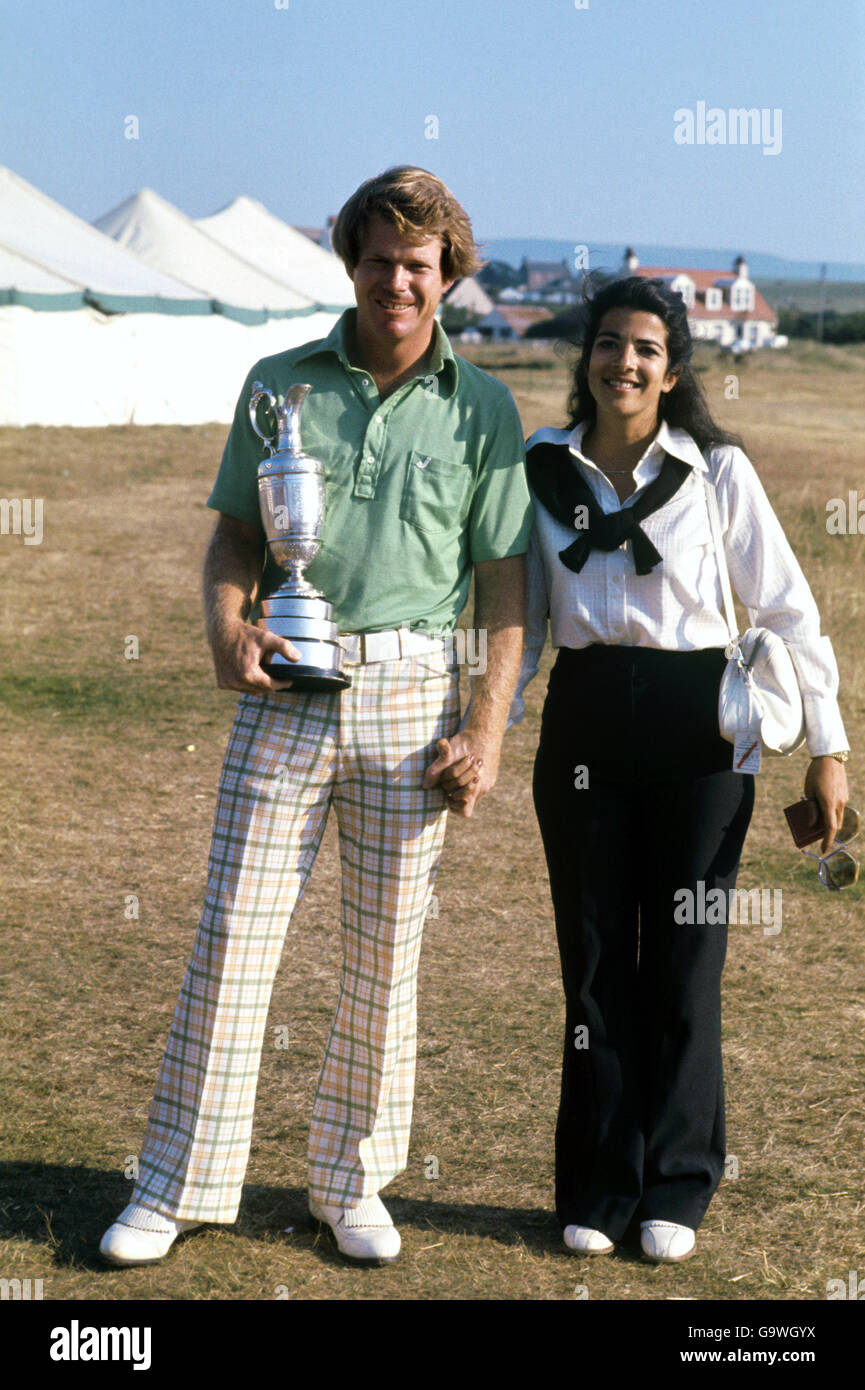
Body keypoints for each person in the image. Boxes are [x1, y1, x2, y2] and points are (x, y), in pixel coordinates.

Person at [99, 166, 530, 1267]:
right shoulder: (277, 383)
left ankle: (351, 1184)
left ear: (448, 278)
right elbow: (236, 540)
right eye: (380, 258)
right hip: (288, 687)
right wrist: (226, 628)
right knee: (234, 939)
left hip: (411, 699)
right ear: (351, 262)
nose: (399, 280)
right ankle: (178, 1185)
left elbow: (504, 587)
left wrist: (485, 730)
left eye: (419, 265)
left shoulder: (482, 408)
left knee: (385, 958)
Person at [512, 275, 850, 1264]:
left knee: (685, 966)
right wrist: (475, 723)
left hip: (700, 736)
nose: (624, 361)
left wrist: (827, 749)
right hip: (581, 732)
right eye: (609, 342)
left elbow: (786, 612)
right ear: (586, 355)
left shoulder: (714, 472)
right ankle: (597, 1182)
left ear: (673, 367)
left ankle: (677, 1180)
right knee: (593, 964)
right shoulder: (539, 466)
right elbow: (519, 621)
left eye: (646, 349)